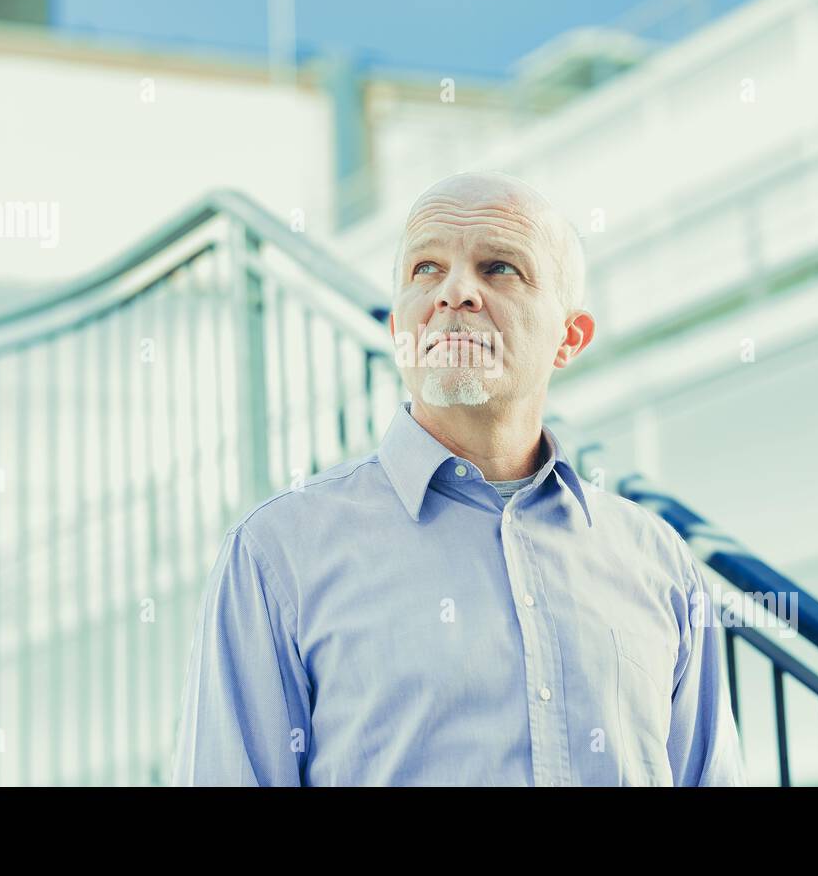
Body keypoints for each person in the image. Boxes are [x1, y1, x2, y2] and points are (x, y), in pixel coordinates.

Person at [171, 171, 746, 785]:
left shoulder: (657, 563)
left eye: (499, 267)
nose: (455, 293)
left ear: (568, 339)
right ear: (399, 331)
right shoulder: (276, 554)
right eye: (425, 269)